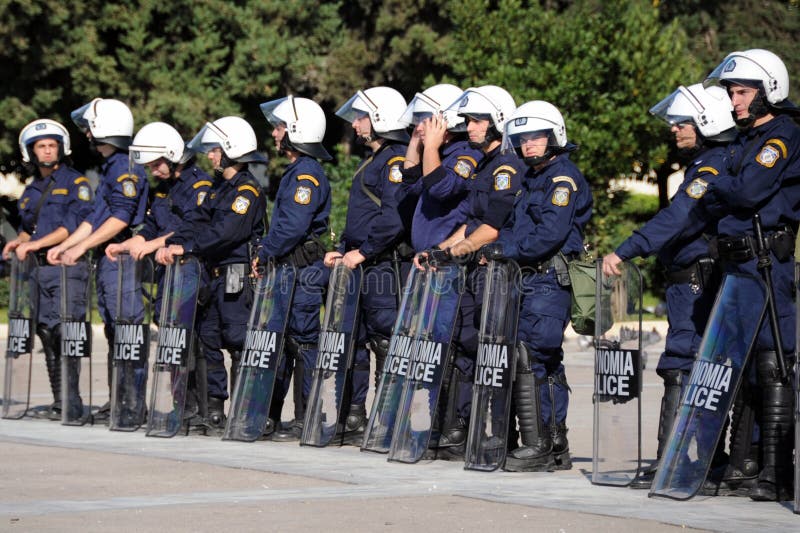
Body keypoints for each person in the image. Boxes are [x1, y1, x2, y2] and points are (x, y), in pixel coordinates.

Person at [602, 83, 737, 487]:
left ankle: (686, 462)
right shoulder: (708, 164)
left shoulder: (711, 167)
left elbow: (678, 218)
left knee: (685, 363)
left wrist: (625, 250)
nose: (675, 129)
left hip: (697, 282)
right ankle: (681, 460)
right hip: (688, 282)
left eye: (684, 123)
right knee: (688, 364)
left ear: (707, 123)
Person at [703, 49, 800, 501]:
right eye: (732, 93)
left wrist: (720, 186)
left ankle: (776, 471)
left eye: (741, 92)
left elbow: (745, 192)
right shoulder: (742, 142)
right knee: (741, 368)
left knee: (773, 363)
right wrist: (724, 189)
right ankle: (743, 463)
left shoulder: (782, 136)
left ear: (769, 91)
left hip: (767, 263)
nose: (734, 101)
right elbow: (718, 198)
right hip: (737, 265)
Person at [482, 100, 592, 471]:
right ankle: (553, 441)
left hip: (548, 279)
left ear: (554, 136)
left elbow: (549, 234)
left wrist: (503, 248)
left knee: (534, 356)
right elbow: (514, 226)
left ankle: (539, 443)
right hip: (526, 278)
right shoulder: (532, 178)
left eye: (536, 137)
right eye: (522, 138)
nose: (528, 144)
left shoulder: (563, 178)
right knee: (538, 359)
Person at [423, 85, 521, 460]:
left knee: (493, 352)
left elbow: (492, 227)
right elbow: (470, 223)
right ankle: (462, 429)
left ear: (498, 121)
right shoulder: (486, 166)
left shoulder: (507, 168)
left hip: (495, 275)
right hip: (475, 273)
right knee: (466, 347)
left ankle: (499, 435)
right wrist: (439, 251)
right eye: (469, 120)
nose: (470, 127)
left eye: (477, 120)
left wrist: (457, 252)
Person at [157, 116, 267, 431]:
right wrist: (175, 242)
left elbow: (226, 232)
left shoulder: (246, 191)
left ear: (232, 150)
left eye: (216, 150)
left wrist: (187, 248)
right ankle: (215, 410)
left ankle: (246, 411)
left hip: (236, 273)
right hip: (213, 274)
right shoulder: (218, 187)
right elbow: (199, 220)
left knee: (238, 340)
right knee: (208, 338)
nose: (211, 155)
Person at [47, 98, 148, 422]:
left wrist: (79, 249)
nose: (87, 134)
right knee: (114, 330)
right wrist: (68, 246)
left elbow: (120, 218)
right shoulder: (111, 167)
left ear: (105, 129)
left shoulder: (127, 168)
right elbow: (94, 218)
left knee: (128, 329)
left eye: (91, 127)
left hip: (122, 258)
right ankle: (118, 401)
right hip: (108, 259)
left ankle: (133, 405)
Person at [106, 121, 212, 427]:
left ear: (172, 155)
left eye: (156, 164)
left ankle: (200, 410)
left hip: (193, 276)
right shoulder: (165, 190)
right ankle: (181, 406)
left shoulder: (200, 187)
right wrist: (129, 244)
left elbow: (193, 227)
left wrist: (152, 244)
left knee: (192, 343)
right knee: (172, 342)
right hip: (169, 279)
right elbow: (152, 226)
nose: (153, 171)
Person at [323, 86, 410, 444]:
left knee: (384, 341)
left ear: (381, 119)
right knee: (355, 341)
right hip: (361, 263)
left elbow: (392, 217)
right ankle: (354, 416)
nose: (356, 124)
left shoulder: (394, 160)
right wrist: (343, 248)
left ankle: (385, 419)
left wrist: (364, 251)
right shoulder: (374, 160)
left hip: (382, 267)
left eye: (362, 117)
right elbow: (362, 216)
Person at [3, 119, 94, 419]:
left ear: (61, 148)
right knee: (45, 332)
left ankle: (73, 402)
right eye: (41, 146)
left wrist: (35, 244)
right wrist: (19, 243)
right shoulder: (32, 190)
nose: (46, 151)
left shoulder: (75, 183)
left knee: (66, 332)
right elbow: (31, 229)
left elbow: (71, 227)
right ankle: (59, 401)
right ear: (31, 151)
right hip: (39, 271)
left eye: (51, 145)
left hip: (67, 269)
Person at [255, 95, 332, 441]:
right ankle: (271, 416)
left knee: (302, 342)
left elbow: (292, 227)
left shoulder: (307, 176)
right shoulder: (296, 172)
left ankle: (306, 417)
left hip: (303, 272)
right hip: (288, 271)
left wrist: (264, 251)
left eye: (279, 127)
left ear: (296, 130)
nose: (274, 134)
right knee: (282, 341)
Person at [398, 83, 482, 252]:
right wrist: (415, 140)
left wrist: (429, 147)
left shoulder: (467, 154)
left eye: (426, 120)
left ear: (447, 119)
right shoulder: (440, 154)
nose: (420, 126)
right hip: (428, 257)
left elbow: (440, 189)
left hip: (448, 257)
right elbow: (410, 186)